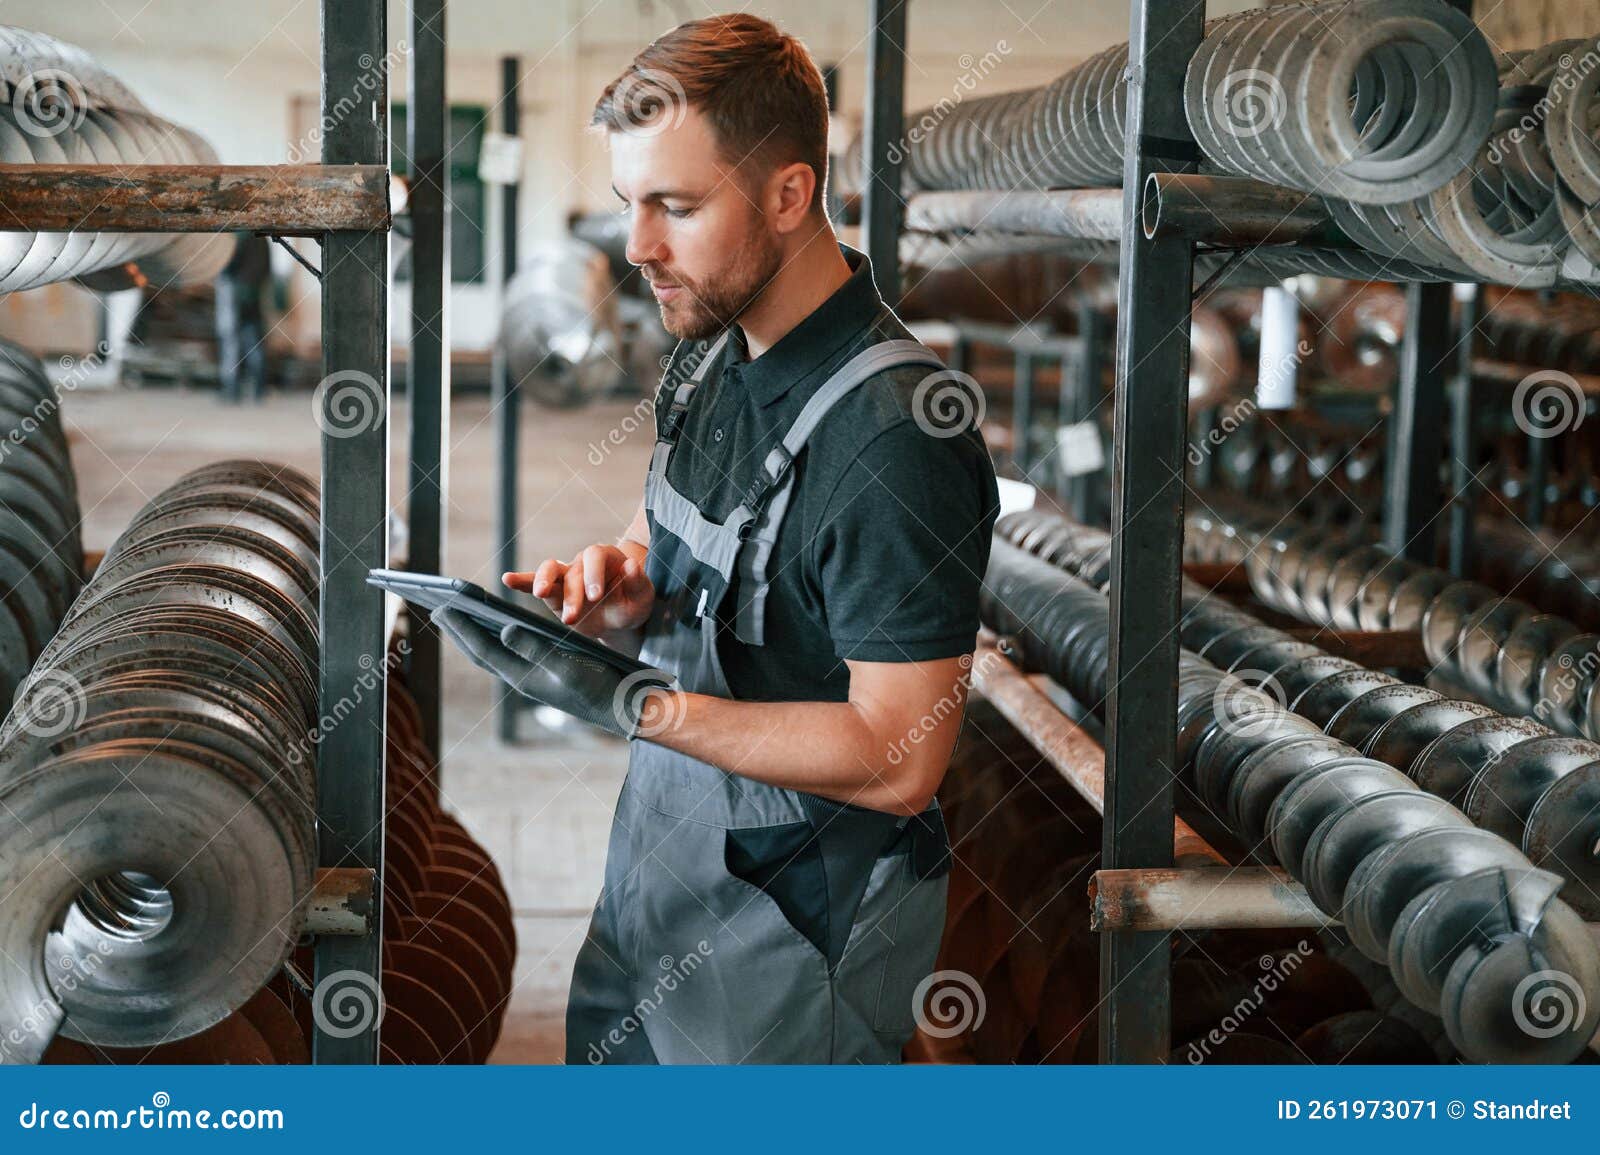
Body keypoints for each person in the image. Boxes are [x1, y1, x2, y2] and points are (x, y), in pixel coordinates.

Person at [434, 13, 999, 1064]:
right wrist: (626, 580)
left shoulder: (894, 443)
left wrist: (643, 702)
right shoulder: (711, 351)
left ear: (789, 194)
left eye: (675, 208)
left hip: (798, 930)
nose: (638, 248)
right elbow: (671, 531)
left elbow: (896, 759)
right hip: (665, 867)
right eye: (628, 207)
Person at [214, 231, 270, 403]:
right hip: (254, 292)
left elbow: (228, 262)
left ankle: (232, 389)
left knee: (231, 340)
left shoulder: (238, 235)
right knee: (254, 341)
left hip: (235, 291)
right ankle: (259, 389)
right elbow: (267, 267)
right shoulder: (263, 238)